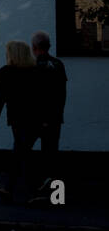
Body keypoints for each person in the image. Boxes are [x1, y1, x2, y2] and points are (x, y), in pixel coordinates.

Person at [0, 40, 43, 203]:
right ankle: (17, 189)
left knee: (21, 153)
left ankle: (29, 191)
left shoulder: (6, 72)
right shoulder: (36, 71)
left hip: (17, 119)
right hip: (36, 119)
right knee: (21, 152)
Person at [31, 30, 67, 202]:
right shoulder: (58, 64)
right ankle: (57, 196)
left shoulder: (34, 66)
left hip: (37, 117)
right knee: (52, 154)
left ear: (34, 47)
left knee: (25, 151)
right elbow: (61, 95)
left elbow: (35, 95)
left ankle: (33, 191)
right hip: (55, 117)